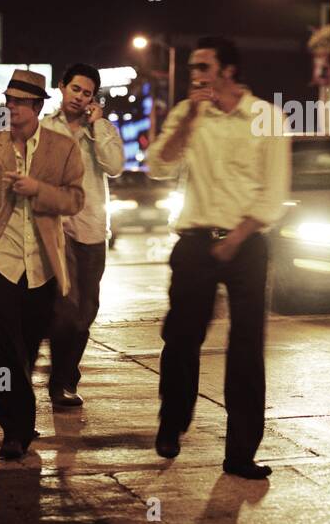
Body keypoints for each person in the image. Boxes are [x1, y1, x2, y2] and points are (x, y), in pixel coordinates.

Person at [147, 36, 289, 480]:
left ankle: (241, 453)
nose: (195, 75)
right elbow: (157, 164)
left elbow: (273, 190)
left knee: (247, 347)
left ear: (228, 71)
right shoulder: (188, 115)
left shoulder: (267, 117)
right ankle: (172, 425)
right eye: (193, 68)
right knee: (182, 339)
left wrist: (240, 235)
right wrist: (188, 119)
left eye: (202, 67)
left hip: (246, 244)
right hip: (194, 241)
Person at [0, 69, 84, 460]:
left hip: (43, 266)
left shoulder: (62, 148)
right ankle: (14, 428)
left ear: (36, 105)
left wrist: (38, 190)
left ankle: (20, 417)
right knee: (1, 352)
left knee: (26, 350)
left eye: (18, 102)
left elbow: (75, 200)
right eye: (8, 101)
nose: (10, 107)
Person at [40, 64, 124, 408]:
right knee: (66, 308)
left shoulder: (100, 129)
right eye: (75, 89)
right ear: (62, 87)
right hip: (58, 229)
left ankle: (65, 372)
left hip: (92, 228)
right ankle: (60, 382)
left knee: (87, 309)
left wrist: (98, 126)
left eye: (87, 93)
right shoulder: (44, 127)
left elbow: (115, 166)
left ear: (94, 99)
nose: (80, 97)